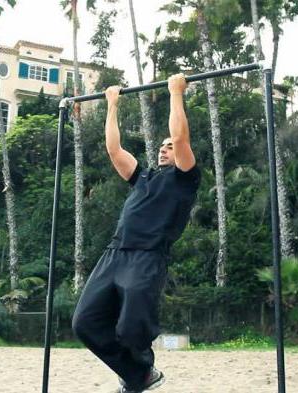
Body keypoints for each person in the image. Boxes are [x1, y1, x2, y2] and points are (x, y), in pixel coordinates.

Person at [71, 74, 201, 393]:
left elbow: (181, 138)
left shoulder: (185, 179)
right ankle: (137, 375)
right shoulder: (142, 176)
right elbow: (114, 149)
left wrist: (175, 93)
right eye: (161, 147)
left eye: (168, 147)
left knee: (131, 329)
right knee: (84, 323)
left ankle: (140, 369)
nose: (164, 149)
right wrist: (112, 104)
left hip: (147, 257)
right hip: (115, 254)